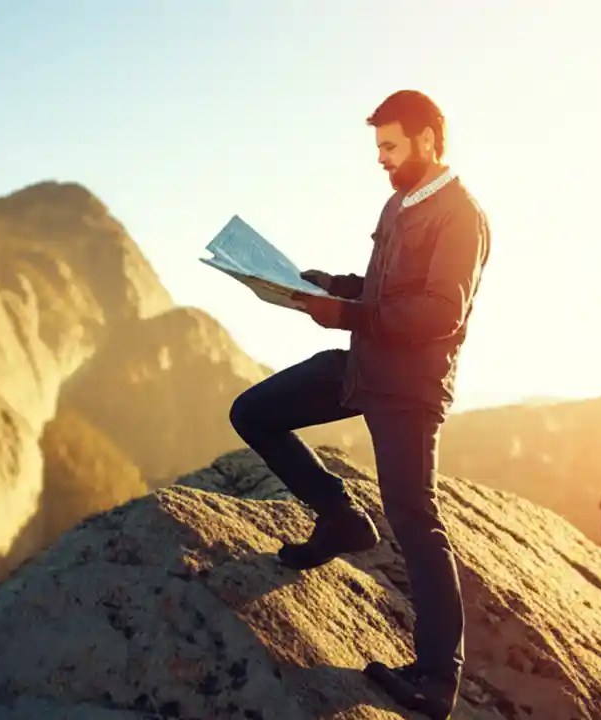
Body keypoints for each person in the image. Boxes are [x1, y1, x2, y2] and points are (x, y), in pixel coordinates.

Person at [228, 89, 491, 719]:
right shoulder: (399, 202)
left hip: (409, 386)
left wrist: (346, 314)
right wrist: (328, 286)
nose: (381, 157)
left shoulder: (461, 214)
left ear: (428, 139)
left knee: (415, 519)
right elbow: (385, 290)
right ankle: (339, 519)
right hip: (363, 365)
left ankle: (437, 679)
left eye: (391, 146)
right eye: (379, 146)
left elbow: (439, 313)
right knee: (253, 413)